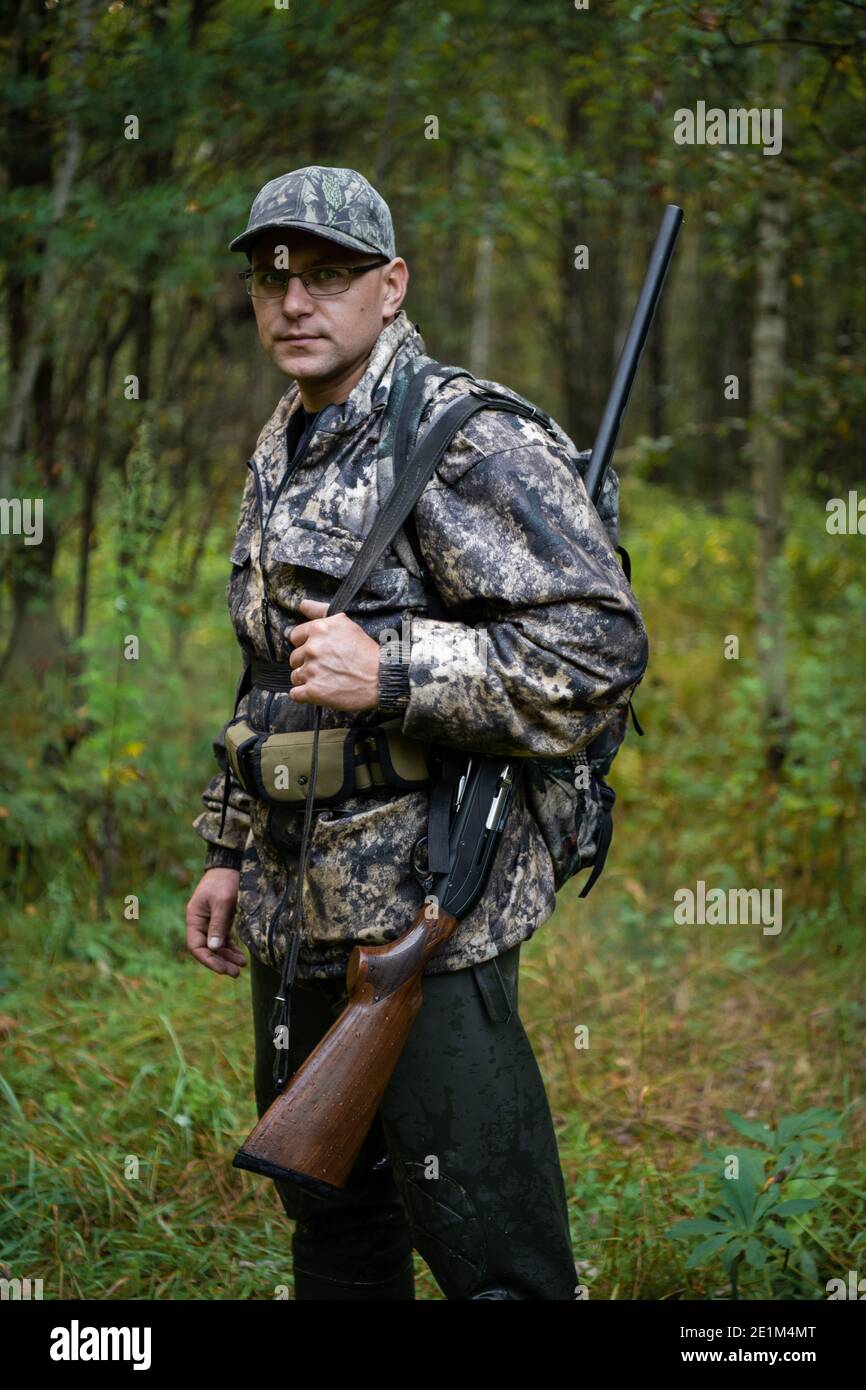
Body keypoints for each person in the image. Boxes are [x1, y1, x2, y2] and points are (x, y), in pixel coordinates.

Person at [185, 165, 648, 1300]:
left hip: (428, 919)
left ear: (390, 287)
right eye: (270, 276)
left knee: (498, 1268)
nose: (293, 300)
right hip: (297, 908)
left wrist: (390, 670)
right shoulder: (287, 439)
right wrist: (228, 848)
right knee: (333, 1227)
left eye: (329, 275)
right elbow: (270, 671)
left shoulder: (463, 439)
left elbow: (596, 652)